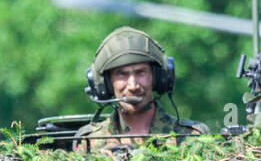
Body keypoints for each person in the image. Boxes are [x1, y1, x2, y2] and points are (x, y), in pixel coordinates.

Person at [73, 26, 209, 154]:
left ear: (158, 77)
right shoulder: (89, 141)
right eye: (122, 74)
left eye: (141, 72)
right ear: (106, 84)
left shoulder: (190, 137)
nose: (133, 86)